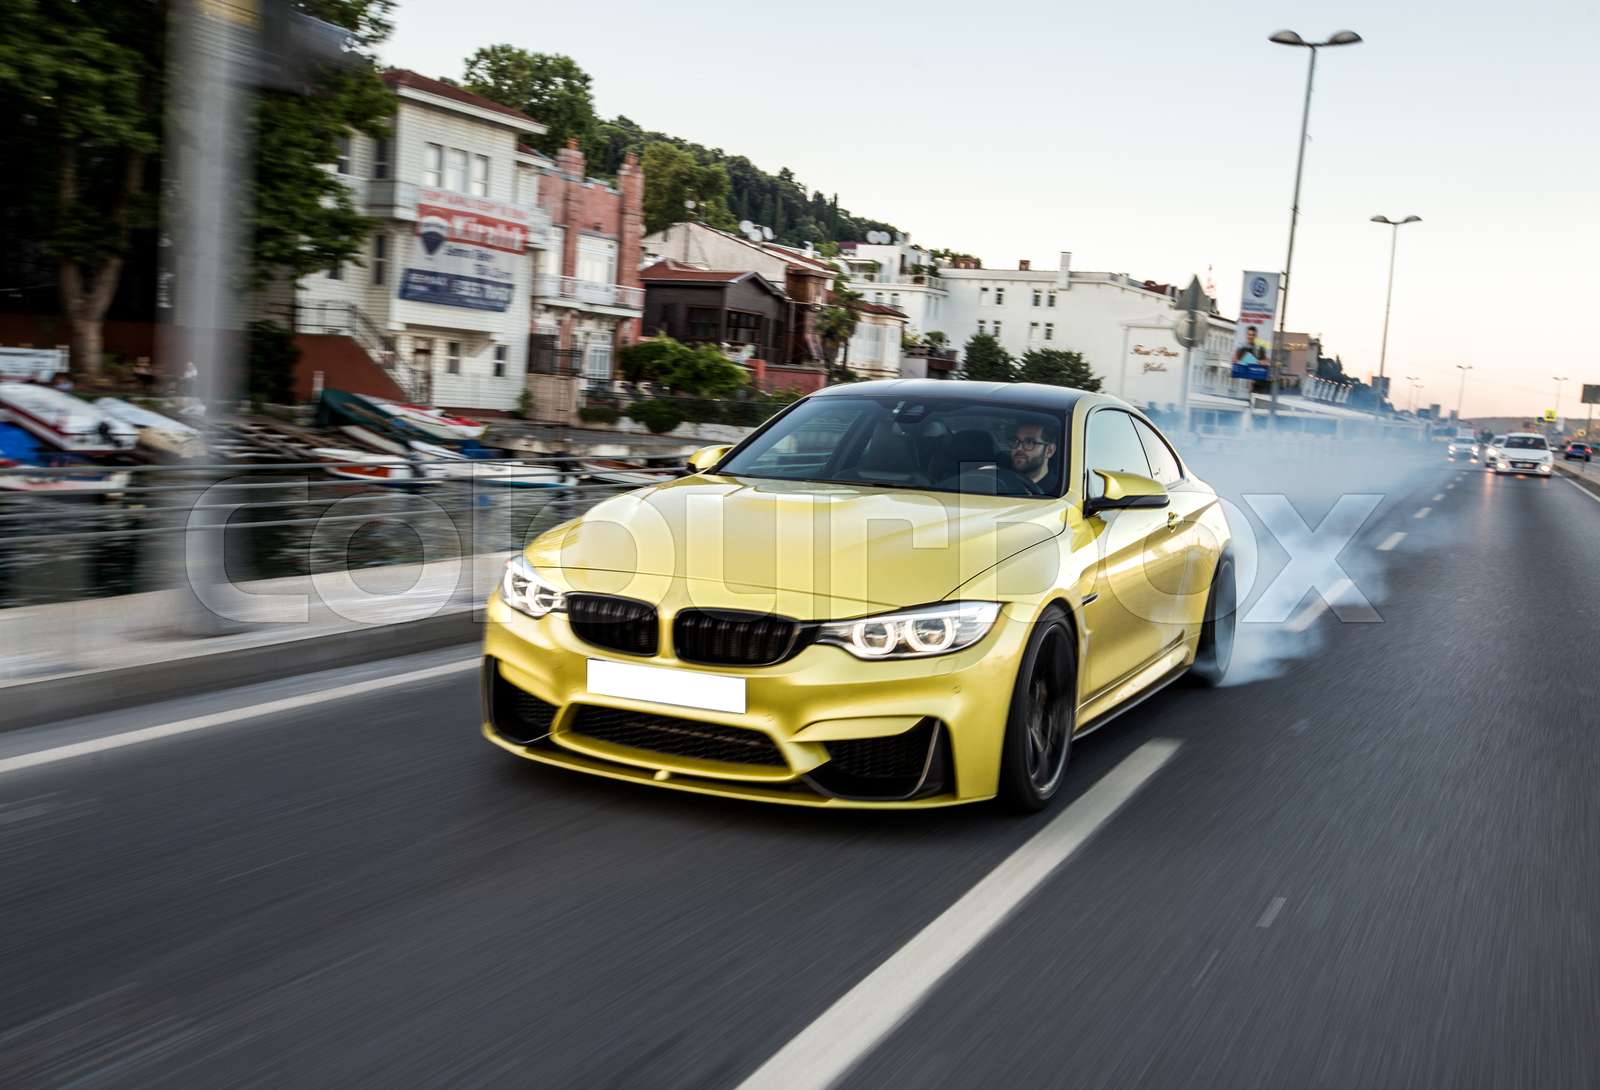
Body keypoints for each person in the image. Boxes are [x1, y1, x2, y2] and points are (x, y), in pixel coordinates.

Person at [1008, 420, 1060, 494]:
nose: (1018, 448)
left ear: (1049, 451)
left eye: (1029, 442)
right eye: (1015, 440)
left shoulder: (1058, 492)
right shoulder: (998, 480)